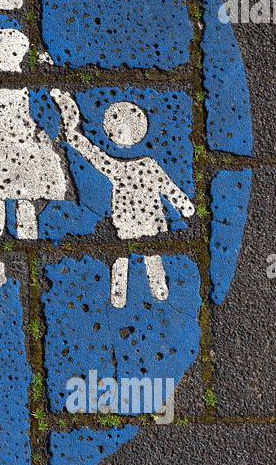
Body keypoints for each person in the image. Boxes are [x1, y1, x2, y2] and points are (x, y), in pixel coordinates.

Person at [49, 88, 195, 308]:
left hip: (131, 219)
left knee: (131, 255)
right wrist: (184, 206)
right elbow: (168, 187)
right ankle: (150, 289)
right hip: (144, 218)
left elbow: (166, 186)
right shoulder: (143, 165)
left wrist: (184, 205)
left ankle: (125, 293)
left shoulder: (123, 167)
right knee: (143, 253)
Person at [0, 27, 68, 238]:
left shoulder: (9, 89)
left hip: (19, 146)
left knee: (20, 202)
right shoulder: (1, 92)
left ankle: (7, 244)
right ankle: (3, 245)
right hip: (6, 147)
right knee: (8, 203)